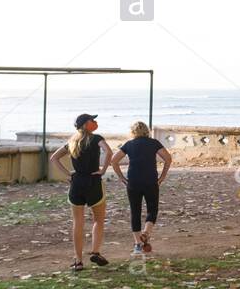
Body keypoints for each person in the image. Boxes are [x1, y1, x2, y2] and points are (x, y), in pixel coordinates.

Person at [50, 113, 112, 271]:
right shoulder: (97, 138)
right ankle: (96, 252)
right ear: (86, 124)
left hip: (77, 183)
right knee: (98, 220)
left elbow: (54, 158)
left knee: (78, 222)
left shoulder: (72, 141)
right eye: (93, 120)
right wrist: (103, 170)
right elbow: (109, 152)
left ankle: (78, 261)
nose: (95, 122)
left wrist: (68, 174)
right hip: (93, 182)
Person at [110, 121, 172, 255]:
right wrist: (162, 177)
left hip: (133, 182)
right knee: (152, 209)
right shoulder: (154, 143)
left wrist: (121, 177)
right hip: (151, 181)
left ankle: (138, 245)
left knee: (135, 211)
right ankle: (146, 233)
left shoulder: (129, 144)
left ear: (133, 132)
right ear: (146, 131)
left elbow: (114, 161)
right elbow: (168, 158)